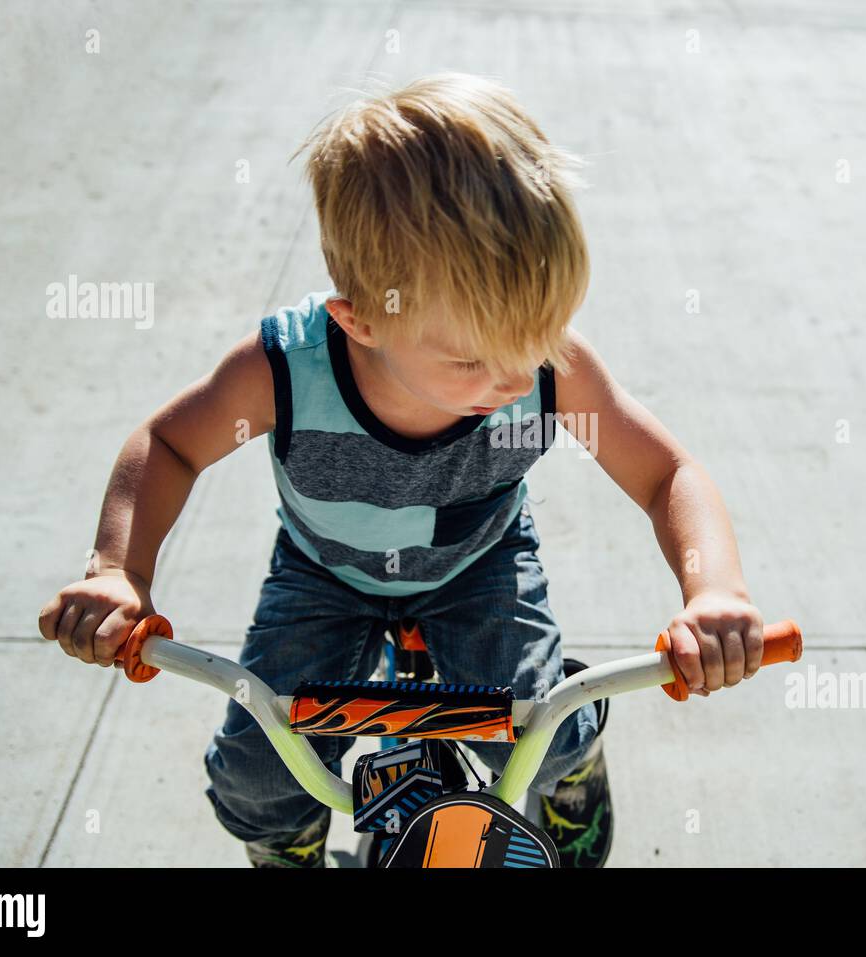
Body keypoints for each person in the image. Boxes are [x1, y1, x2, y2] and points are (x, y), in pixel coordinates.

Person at [38, 72, 768, 868]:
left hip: (479, 563)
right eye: (473, 360)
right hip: (325, 574)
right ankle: (287, 842)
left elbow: (667, 473)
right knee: (258, 775)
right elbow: (169, 445)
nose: (521, 380)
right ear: (359, 320)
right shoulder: (286, 370)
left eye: (541, 335)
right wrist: (118, 571)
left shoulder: (544, 365)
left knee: (543, 729)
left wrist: (715, 591)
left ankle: (574, 770)